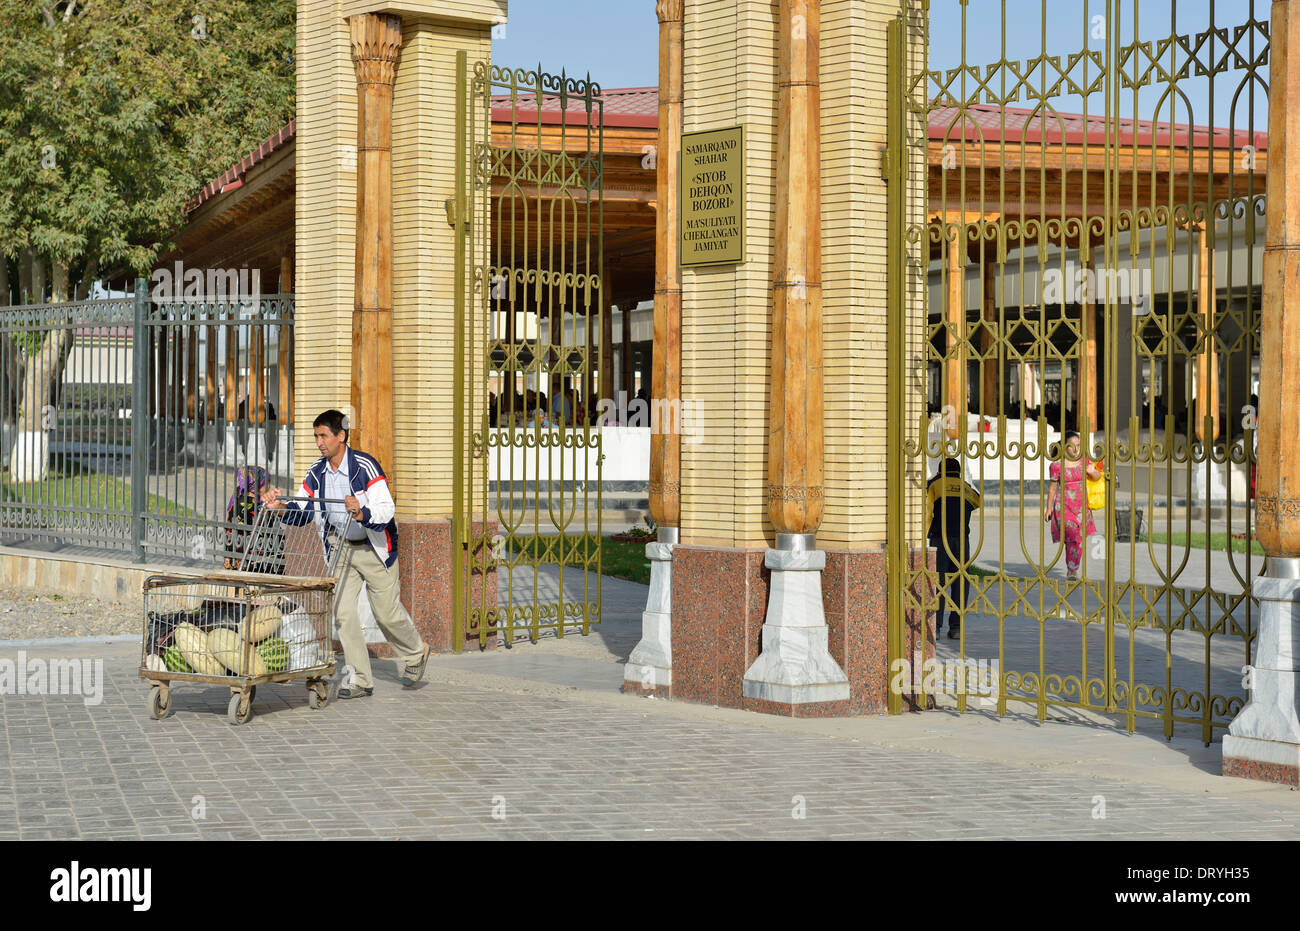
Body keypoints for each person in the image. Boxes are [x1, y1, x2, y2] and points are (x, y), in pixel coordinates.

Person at [261, 409, 430, 698]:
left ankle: (416, 652)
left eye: (323, 435)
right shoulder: (317, 473)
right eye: (316, 436)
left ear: (341, 436)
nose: (319, 442)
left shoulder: (365, 466)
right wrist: (280, 507)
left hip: (373, 549)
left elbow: (386, 508)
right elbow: (303, 510)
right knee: (343, 613)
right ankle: (361, 679)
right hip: (341, 549)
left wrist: (362, 512)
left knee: (386, 615)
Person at [926, 457, 982, 640]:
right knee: (960, 581)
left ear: (940, 471)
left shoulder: (934, 485)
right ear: (958, 472)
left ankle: (936, 627)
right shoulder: (965, 487)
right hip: (961, 540)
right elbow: (977, 501)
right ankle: (956, 627)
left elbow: (926, 509)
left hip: (940, 539)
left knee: (938, 582)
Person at [1046, 430, 1100, 580]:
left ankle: (1072, 568)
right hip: (1063, 506)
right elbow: (1052, 488)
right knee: (1071, 536)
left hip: (1081, 507)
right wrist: (1048, 508)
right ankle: (1072, 568)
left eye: (1078, 445)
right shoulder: (1056, 466)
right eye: (1073, 446)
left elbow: (1098, 476)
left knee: (1078, 539)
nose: (1076, 449)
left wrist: (1092, 471)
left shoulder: (1084, 461)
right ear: (1064, 446)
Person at [223, 465, 283, 574]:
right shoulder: (254, 505)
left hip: (237, 557)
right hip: (255, 562)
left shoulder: (238, 498)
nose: (269, 486)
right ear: (258, 484)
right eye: (267, 482)